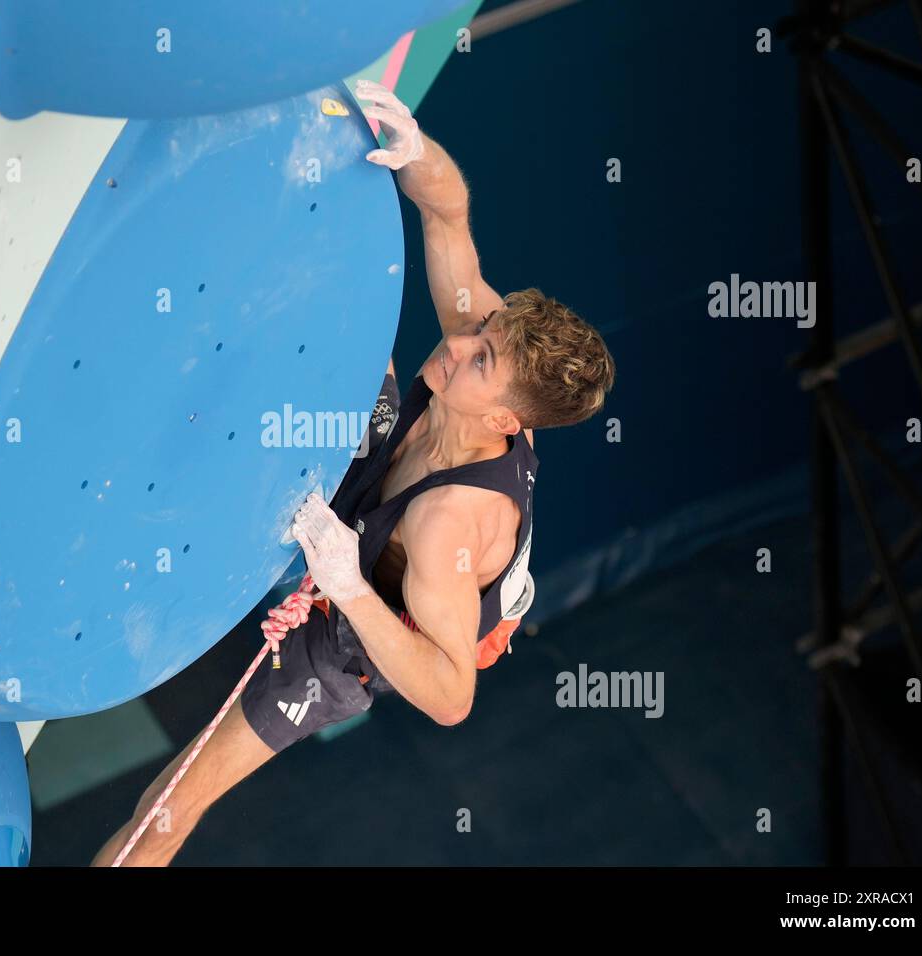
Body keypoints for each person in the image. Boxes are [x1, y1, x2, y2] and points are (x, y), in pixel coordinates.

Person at [92, 79, 615, 866]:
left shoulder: (449, 531)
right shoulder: (478, 352)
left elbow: (449, 698)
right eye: (484, 333)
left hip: (356, 634)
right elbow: (447, 213)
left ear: (507, 421)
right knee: (342, 318)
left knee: (168, 807)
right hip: (374, 496)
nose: (460, 344)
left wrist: (345, 584)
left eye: (482, 360)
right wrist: (417, 150)